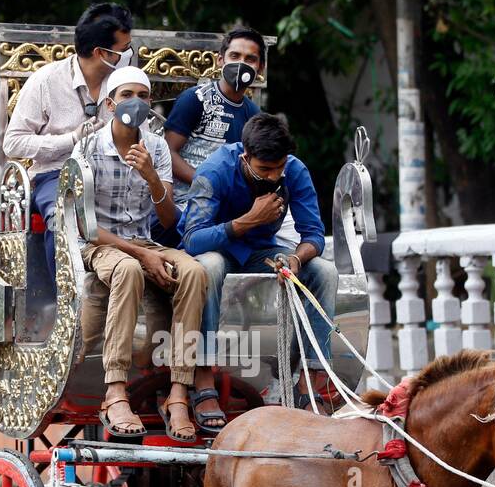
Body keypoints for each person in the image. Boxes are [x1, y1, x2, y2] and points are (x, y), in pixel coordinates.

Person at [73, 67, 207, 442]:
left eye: (144, 96)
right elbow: (84, 225)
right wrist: (140, 255)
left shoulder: (158, 146)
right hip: (98, 245)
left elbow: (168, 218)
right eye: (127, 94)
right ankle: (115, 390)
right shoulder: (87, 147)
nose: (136, 102)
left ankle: (179, 392)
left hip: (145, 240)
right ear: (111, 103)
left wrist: (150, 175)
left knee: (194, 272)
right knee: (130, 269)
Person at [178, 113, 337, 426]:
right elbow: (193, 240)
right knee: (208, 266)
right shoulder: (215, 170)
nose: (274, 177)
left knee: (325, 272)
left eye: (279, 167)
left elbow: (314, 234)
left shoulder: (294, 170)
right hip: (217, 249)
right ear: (245, 157)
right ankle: (204, 382)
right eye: (265, 169)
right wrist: (247, 221)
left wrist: (296, 259)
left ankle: (308, 384)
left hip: (261, 251)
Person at [2, 2, 135, 280]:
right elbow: (12, 143)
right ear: (102, 53)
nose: (128, 55)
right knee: (64, 218)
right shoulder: (46, 80)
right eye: (124, 50)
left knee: (160, 216)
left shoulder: (125, 82)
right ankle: (65, 306)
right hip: (56, 175)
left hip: (115, 171)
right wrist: (70, 140)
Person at [164, 28, 266, 206]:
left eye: (250, 59)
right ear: (220, 60)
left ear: (260, 67)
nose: (241, 64)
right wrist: (206, 183)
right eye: (235, 56)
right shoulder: (196, 99)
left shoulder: (254, 115)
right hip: (187, 201)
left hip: (230, 203)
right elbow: (167, 152)